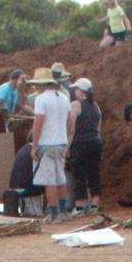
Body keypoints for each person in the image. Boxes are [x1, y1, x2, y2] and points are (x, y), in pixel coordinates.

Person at [30, 66, 73, 223]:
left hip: (46, 144)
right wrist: (65, 136)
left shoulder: (40, 99)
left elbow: (38, 122)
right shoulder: (63, 97)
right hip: (61, 142)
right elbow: (69, 122)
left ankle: (54, 214)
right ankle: (63, 211)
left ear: (41, 84)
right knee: (60, 178)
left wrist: (34, 146)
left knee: (50, 181)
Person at [68, 78, 103, 215]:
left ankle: (80, 207)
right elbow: (99, 129)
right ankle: (94, 206)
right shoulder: (96, 106)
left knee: (79, 175)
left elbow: (72, 130)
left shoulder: (75, 105)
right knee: (94, 174)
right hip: (95, 143)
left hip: (80, 143)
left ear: (80, 91)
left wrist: (67, 148)